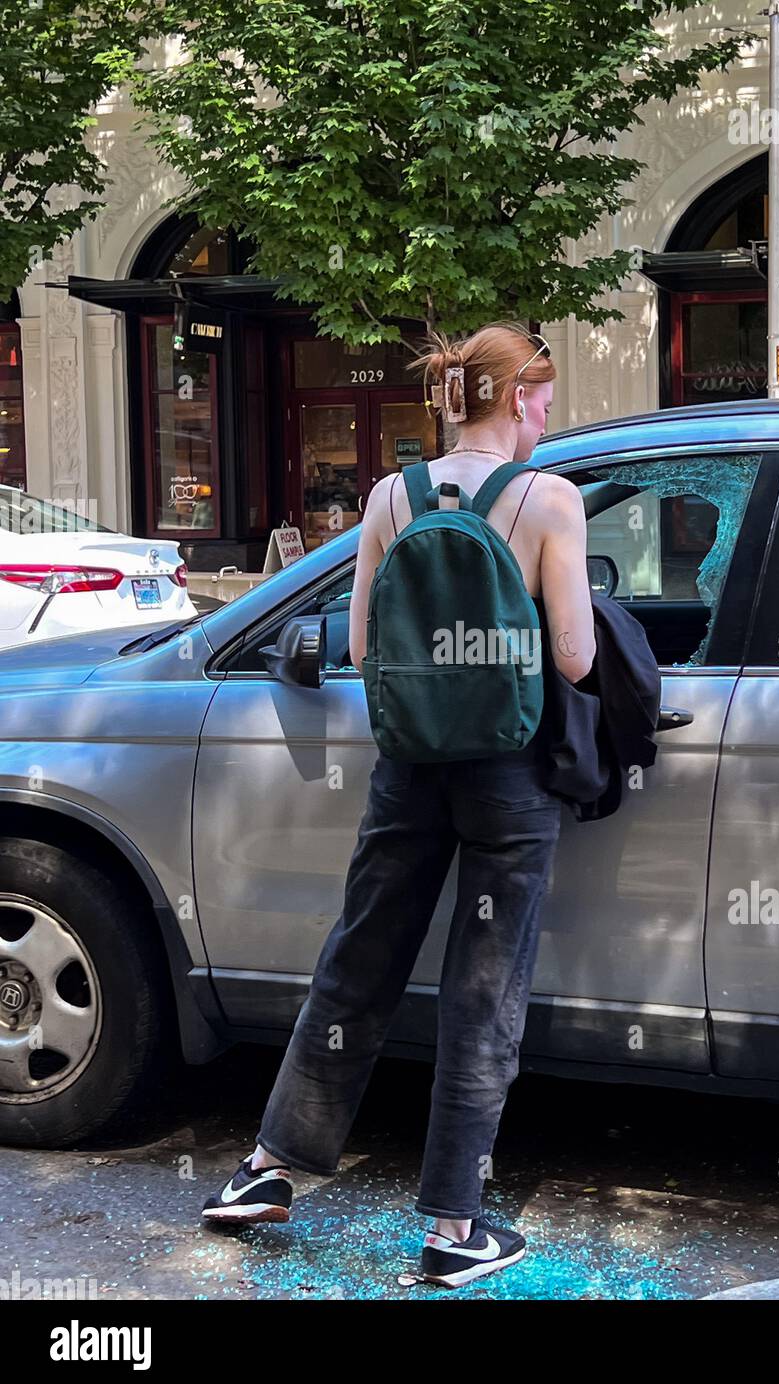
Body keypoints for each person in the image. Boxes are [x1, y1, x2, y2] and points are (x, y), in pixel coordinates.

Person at [202, 321, 596, 1289]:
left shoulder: (389, 496)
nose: (546, 420)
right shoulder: (549, 500)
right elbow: (577, 659)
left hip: (409, 766)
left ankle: (267, 1167)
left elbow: (361, 645)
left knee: (359, 958)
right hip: (507, 775)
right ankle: (454, 1224)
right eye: (544, 403)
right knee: (483, 990)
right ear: (515, 399)